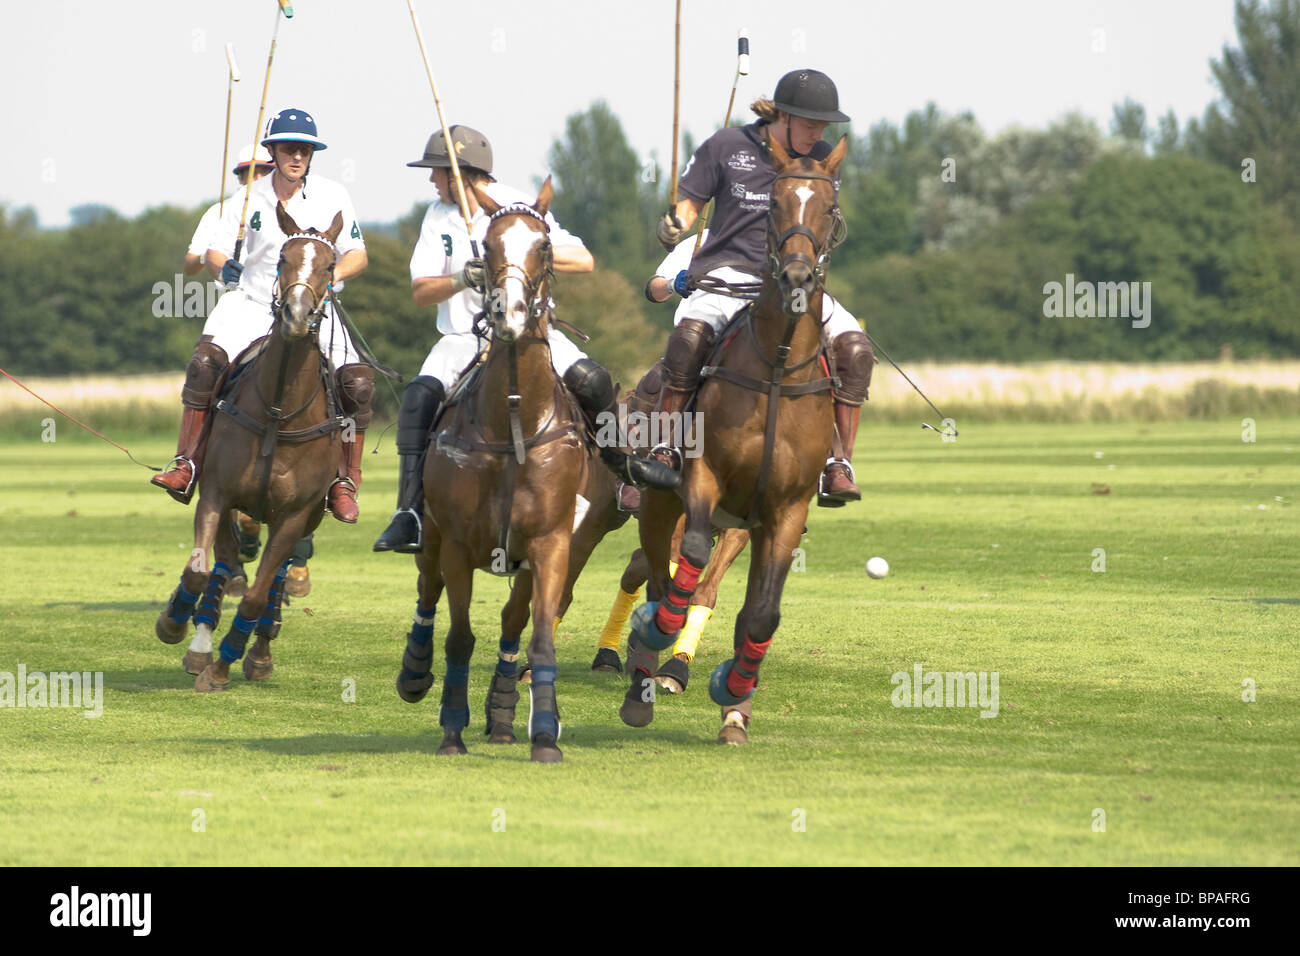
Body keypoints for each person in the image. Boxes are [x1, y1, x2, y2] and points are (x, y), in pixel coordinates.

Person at [372, 125, 677, 553]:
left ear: (463, 174)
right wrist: (463, 277)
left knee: (596, 383)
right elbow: (422, 290)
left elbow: (585, 259)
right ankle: (409, 513)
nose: (431, 180)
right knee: (417, 400)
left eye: (437, 171)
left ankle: (618, 462)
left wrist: (528, 253)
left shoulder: (522, 207)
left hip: (532, 333)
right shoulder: (437, 217)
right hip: (463, 338)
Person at [652, 69, 874, 506]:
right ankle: (665, 446)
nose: (818, 133)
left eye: (824, 126)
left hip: (793, 279)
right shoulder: (726, 147)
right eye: (811, 124)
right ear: (784, 116)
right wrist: (676, 221)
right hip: (729, 273)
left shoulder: (823, 159)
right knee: (688, 340)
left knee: (856, 349)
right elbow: (691, 203)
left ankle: (838, 462)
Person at [152, 107, 374, 525]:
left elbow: (358, 255)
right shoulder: (247, 197)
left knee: (358, 384)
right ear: (272, 151)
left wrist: (329, 277)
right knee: (204, 366)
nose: (298, 157)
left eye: (306, 150)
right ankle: (188, 464)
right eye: (290, 149)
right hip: (252, 304)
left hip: (316, 308)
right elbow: (214, 251)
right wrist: (223, 268)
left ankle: (343, 481)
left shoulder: (333, 195)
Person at [183, 144, 274, 277]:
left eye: (265, 172)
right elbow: (189, 267)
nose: (259, 178)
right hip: (233, 291)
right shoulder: (219, 211)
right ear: (241, 177)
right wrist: (208, 257)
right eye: (253, 173)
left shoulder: (283, 210)